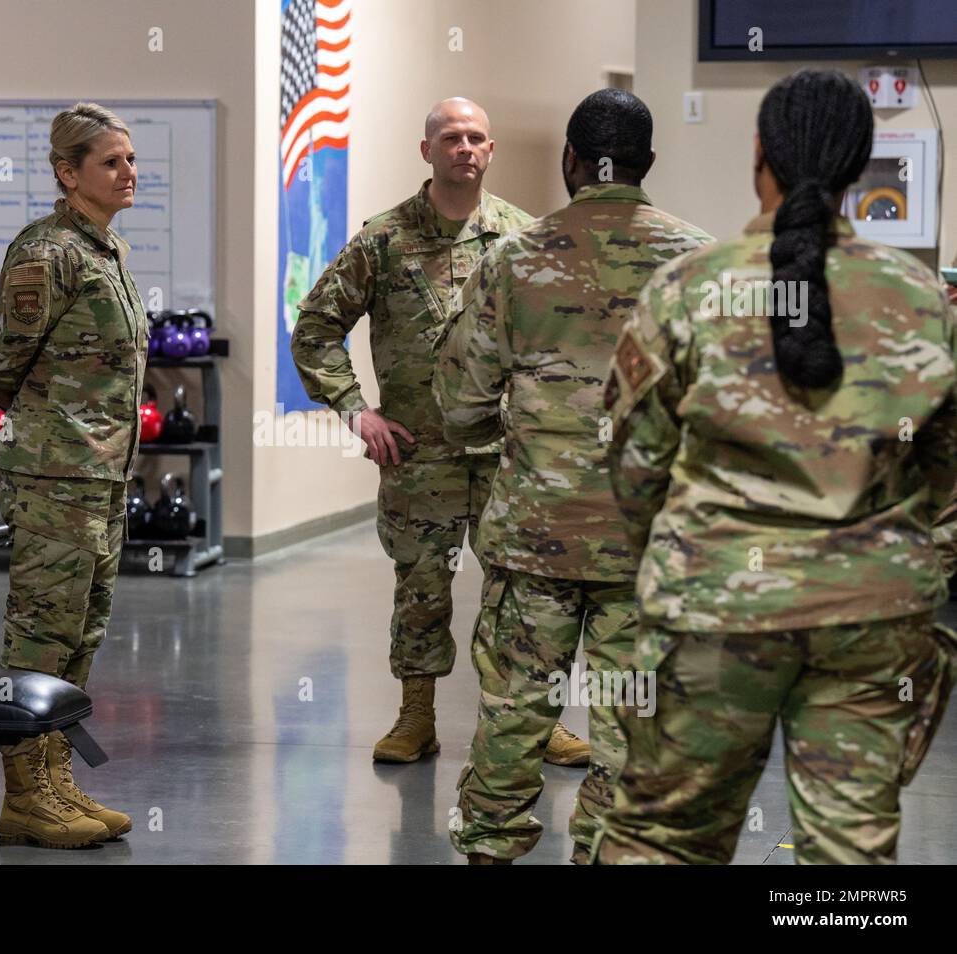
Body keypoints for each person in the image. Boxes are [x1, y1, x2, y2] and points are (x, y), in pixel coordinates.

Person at [594, 69, 957, 865]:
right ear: (861, 166)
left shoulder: (687, 289)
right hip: (870, 616)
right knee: (848, 850)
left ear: (758, 151)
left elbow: (634, 462)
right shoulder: (925, 298)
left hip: (713, 607)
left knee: (664, 837)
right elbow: (946, 474)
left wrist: (688, 556)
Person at [435, 90, 711, 864]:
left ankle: (490, 847)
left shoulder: (512, 259)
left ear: (570, 162)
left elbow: (458, 406)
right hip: (647, 551)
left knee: (513, 715)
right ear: (648, 164)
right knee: (631, 724)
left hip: (534, 542)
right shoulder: (698, 264)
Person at [293, 98, 587, 766]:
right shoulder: (383, 240)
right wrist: (353, 411)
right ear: (426, 151)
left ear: (490, 151)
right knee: (420, 589)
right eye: (451, 137)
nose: (465, 148)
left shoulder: (522, 237)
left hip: (505, 452)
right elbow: (315, 330)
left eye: (477, 138)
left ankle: (531, 723)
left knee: (520, 592)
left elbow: (558, 339)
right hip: (417, 455)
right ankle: (415, 717)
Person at [0, 103, 143, 849]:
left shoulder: (107, 249)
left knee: (81, 634)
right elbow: (0, 358)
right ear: (68, 174)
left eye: (130, 160)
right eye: (111, 162)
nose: (128, 172)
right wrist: (52, 424)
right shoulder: (50, 252)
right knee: (40, 634)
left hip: (102, 476)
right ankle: (23, 796)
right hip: (56, 475)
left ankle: (56, 779)